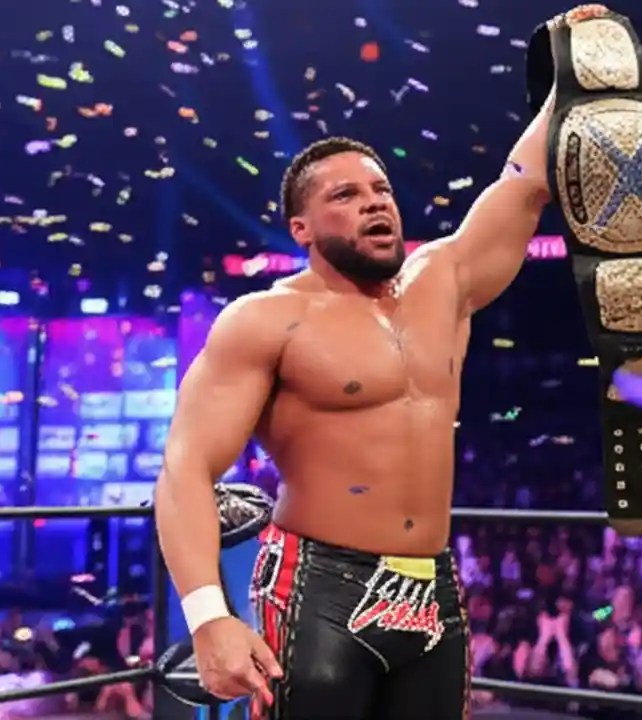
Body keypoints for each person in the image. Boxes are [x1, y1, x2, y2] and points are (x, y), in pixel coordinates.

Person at [154, 48, 562, 719]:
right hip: (319, 588)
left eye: (381, 191)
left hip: (432, 587)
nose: (374, 205)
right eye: (346, 195)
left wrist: (573, 70)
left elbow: (523, 183)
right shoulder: (267, 319)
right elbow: (185, 467)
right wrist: (207, 618)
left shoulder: (444, 282)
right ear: (302, 228)